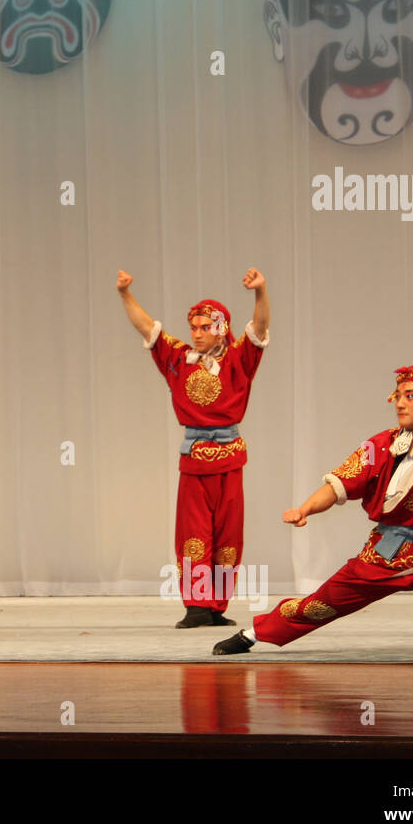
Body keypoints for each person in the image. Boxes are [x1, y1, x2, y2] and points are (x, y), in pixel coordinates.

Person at [213, 365, 413, 658]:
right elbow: (339, 484)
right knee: (320, 604)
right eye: (398, 397)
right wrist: (305, 508)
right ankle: (252, 634)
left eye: (410, 396)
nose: (400, 404)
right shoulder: (380, 446)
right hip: (386, 554)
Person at [116, 267, 271, 627]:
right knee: (193, 537)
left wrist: (260, 292)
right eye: (195, 327)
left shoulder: (238, 358)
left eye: (205, 327)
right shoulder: (178, 359)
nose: (197, 334)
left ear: (221, 327)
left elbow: (260, 327)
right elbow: (146, 328)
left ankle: (217, 607)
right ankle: (197, 606)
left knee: (228, 538)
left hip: (230, 459)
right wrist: (125, 293)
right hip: (195, 462)